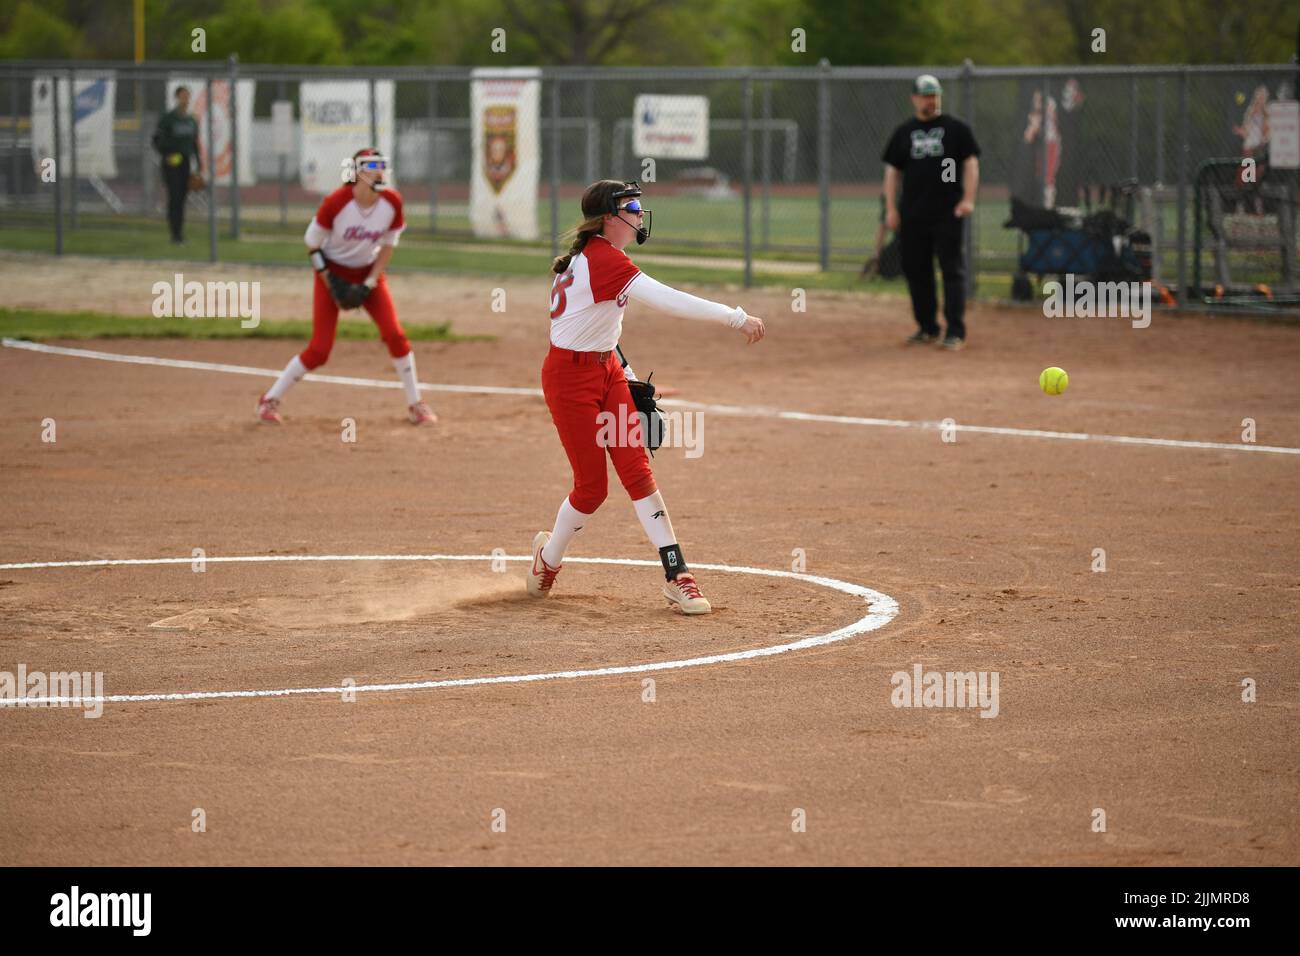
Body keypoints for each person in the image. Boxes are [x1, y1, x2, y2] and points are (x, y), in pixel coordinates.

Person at [528, 180, 765, 614]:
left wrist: (626, 373)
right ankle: (548, 560)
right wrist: (736, 318)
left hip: (607, 371)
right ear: (608, 218)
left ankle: (678, 575)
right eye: (631, 206)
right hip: (568, 379)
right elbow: (669, 301)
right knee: (592, 488)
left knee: (637, 472)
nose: (639, 213)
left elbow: (600, 326)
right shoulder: (601, 259)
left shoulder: (605, 259)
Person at [256, 148, 436, 426]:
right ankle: (269, 400)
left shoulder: (392, 202)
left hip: (368, 272)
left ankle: (416, 405)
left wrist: (369, 283)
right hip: (332, 272)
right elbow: (312, 243)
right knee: (320, 350)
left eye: (382, 166)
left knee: (396, 335)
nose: (378, 172)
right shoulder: (336, 203)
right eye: (371, 166)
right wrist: (333, 286)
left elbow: (388, 246)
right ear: (356, 173)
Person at [882, 74, 981, 350]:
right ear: (914, 99)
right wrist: (891, 208)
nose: (931, 101)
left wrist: (968, 199)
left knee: (952, 271)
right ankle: (927, 327)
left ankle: (955, 331)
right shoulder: (904, 132)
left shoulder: (956, 129)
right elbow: (892, 172)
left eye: (935, 96)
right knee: (916, 271)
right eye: (926, 96)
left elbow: (971, 164)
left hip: (948, 213)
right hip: (913, 214)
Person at [151, 86, 201, 244]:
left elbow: (194, 143)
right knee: (174, 197)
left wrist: (199, 164)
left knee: (182, 198)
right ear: (176, 98)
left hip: (185, 161)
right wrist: (166, 153)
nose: (185, 99)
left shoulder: (191, 120)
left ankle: (179, 233)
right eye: (182, 96)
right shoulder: (168, 118)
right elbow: (156, 140)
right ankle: (175, 234)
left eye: (188, 96)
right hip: (172, 162)